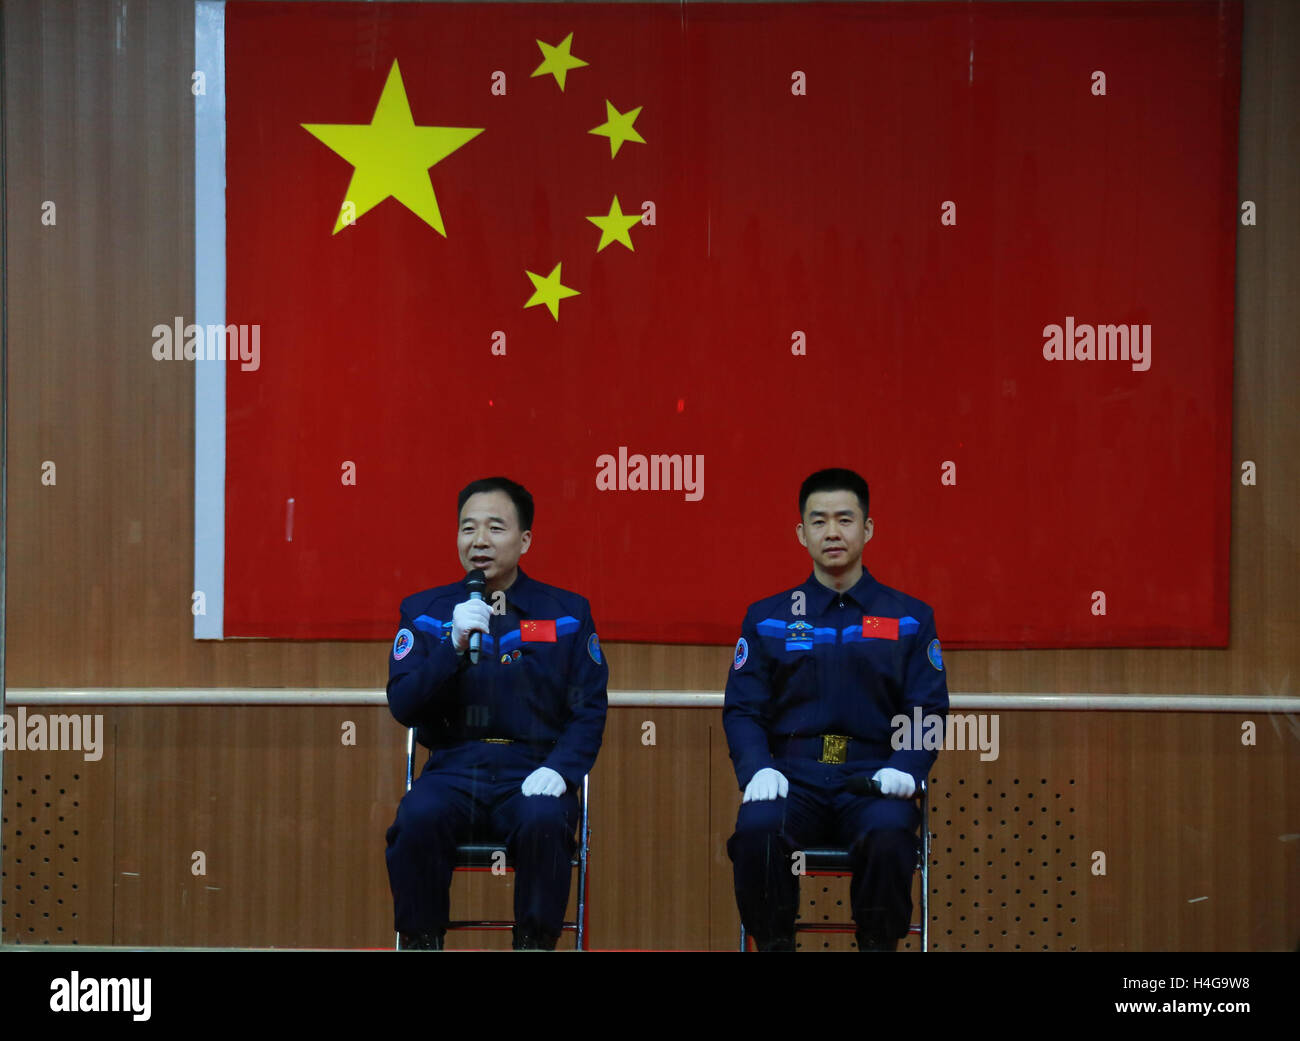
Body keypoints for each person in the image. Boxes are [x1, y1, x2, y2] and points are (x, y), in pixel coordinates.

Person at [724, 468, 949, 951]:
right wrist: (756, 769)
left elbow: (926, 706)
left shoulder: (909, 617)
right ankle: (776, 944)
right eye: (819, 521)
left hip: (872, 778)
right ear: (801, 534)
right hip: (792, 776)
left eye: (845, 520)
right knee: (757, 834)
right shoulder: (768, 618)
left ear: (867, 529)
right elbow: (743, 710)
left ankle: (877, 946)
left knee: (891, 837)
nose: (832, 532)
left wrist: (907, 768)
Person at [384, 477, 608, 950]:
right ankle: (421, 941)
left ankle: (534, 943)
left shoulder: (566, 612)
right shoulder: (425, 611)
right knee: (416, 818)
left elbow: (588, 709)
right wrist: (451, 647)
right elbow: (404, 706)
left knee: (545, 821)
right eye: (468, 528)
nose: (479, 541)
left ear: (524, 540)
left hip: (532, 770)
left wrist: (561, 770)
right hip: (452, 770)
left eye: (495, 528)